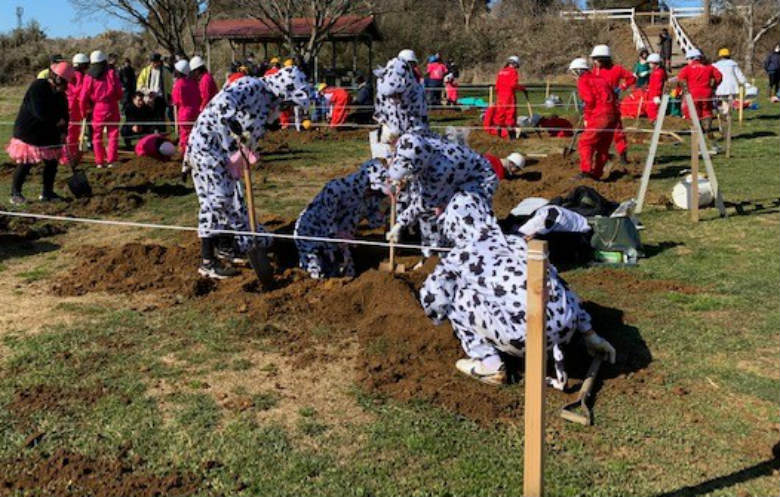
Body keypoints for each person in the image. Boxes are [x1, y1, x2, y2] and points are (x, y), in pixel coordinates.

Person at [419, 192, 615, 386]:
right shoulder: (518, 241)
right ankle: (586, 335)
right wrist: (590, 335)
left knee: (455, 295)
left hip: (526, 339)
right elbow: (559, 285)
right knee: (546, 277)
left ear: (453, 224)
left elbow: (433, 303)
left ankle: (489, 364)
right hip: (566, 329)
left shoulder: (458, 257)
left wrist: (439, 315)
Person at [183, 66, 312, 279]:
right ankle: (208, 261)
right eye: (289, 101)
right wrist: (232, 121)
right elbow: (226, 101)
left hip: (227, 154)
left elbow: (254, 129)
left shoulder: (269, 103)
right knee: (216, 200)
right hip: (208, 147)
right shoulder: (251, 85)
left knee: (232, 200)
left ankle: (227, 247)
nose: (287, 107)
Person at [295, 160, 389, 279]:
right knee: (317, 275)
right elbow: (326, 221)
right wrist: (337, 239)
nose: (375, 194)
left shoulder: (372, 198)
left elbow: (375, 222)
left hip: (341, 240)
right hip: (312, 233)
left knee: (348, 275)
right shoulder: (335, 189)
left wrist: (384, 211)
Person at [6, 62, 72, 204]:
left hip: (49, 133)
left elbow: (65, 114)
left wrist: (63, 130)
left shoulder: (60, 94)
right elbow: (40, 112)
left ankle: (47, 192)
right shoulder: (38, 87)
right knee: (26, 163)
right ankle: (15, 193)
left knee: (52, 163)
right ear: (57, 78)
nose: (66, 86)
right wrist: (57, 120)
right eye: (64, 82)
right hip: (30, 132)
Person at [570, 57, 619, 181]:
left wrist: (587, 116)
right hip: (613, 116)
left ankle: (586, 172)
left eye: (573, 72)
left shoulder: (583, 80)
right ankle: (597, 174)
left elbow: (589, 100)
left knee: (585, 142)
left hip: (600, 115)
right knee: (602, 146)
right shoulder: (600, 79)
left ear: (578, 71)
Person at [590, 44, 636, 165]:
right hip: (597, 105)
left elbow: (631, 78)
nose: (594, 62)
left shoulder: (617, 69)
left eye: (596, 59)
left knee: (617, 132)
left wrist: (621, 88)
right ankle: (598, 154)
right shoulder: (594, 71)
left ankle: (622, 155)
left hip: (612, 105)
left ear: (603, 59)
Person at [80, 50, 123, 169]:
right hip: (112, 106)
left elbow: (83, 96)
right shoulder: (111, 73)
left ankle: (99, 161)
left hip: (97, 108)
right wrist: (116, 98)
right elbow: (119, 92)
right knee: (113, 133)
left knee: (97, 135)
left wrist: (83, 111)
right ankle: (111, 160)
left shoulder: (89, 77)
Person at [674, 48, 722, 134]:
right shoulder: (709, 67)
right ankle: (707, 127)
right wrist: (713, 86)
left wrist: (681, 91)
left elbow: (680, 80)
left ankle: (696, 129)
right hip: (707, 92)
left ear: (692, 58)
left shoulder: (687, 69)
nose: (687, 61)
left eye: (688, 59)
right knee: (706, 110)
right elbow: (719, 76)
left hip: (692, 93)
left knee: (693, 111)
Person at [61, 53, 89, 166]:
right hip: (75, 107)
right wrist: (85, 110)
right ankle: (67, 157)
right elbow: (80, 93)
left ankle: (70, 154)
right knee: (72, 133)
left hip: (67, 105)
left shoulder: (69, 75)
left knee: (69, 132)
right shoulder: (79, 76)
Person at [493, 55, 528, 140]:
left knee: (499, 116)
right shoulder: (513, 72)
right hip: (509, 97)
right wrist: (522, 88)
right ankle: (512, 138)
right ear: (515, 64)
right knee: (510, 116)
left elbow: (496, 87)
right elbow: (513, 84)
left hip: (500, 97)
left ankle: (498, 137)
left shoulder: (501, 72)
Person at [136, 53, 172, 130]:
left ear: (159, 62)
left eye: (155, 62)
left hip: (160, 99)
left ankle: (161, 136)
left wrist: (169, 97)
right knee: (149, 120)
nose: (153, 64)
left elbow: (171, 86)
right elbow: (139, 85)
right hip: (148, 100)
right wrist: (148, 91)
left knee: (160, 121)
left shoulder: (165, 72)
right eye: (152, 62)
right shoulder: (145, 71)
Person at [171, 60, 200, 155]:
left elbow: (175, 100)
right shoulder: (193, 83)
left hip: (185, 113)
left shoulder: (179, 84)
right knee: (193, 134)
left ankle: (185, 155)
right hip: (195, 112)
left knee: (185, 135)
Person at [712, 47, 747, 121]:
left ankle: (725, 113)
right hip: (732, 85)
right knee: (730, 101)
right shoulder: (733, 64)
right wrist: (744, 82)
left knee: (724, 100)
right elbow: (739, 74)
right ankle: (727, 114)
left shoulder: (716, 65)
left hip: (721, 85)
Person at [645, 53, 667, 122]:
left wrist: (656, 96)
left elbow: (658, 85)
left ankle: (655, 125)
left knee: (653, 111)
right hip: (652, 94)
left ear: (655, 63)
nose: (649, 65)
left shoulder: (658, 73)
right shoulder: (656, 72)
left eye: (650, 63)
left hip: (654, 95)